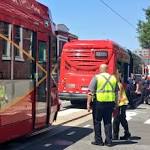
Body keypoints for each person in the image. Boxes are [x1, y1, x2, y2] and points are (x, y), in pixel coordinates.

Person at [87, 64, 118, 146]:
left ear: (100, 69)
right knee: (108, 122)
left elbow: (90, 92)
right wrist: (116, 104)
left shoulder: (96, 77)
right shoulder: (113, 78)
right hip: (110, 103)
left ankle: (98, 141)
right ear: (107, 69)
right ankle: (109, 141)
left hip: (99, 103)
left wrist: (88, 104)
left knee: (97, 122)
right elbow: (116, 93)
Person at [113, 71, 131, 140]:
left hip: (121, 104)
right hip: (121, 103)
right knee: (118, 119)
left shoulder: (117, 84)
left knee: (118, 119)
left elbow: (117, 96)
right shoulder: (118, 83)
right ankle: (119, 135)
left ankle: (124, 134)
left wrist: (116, 105)